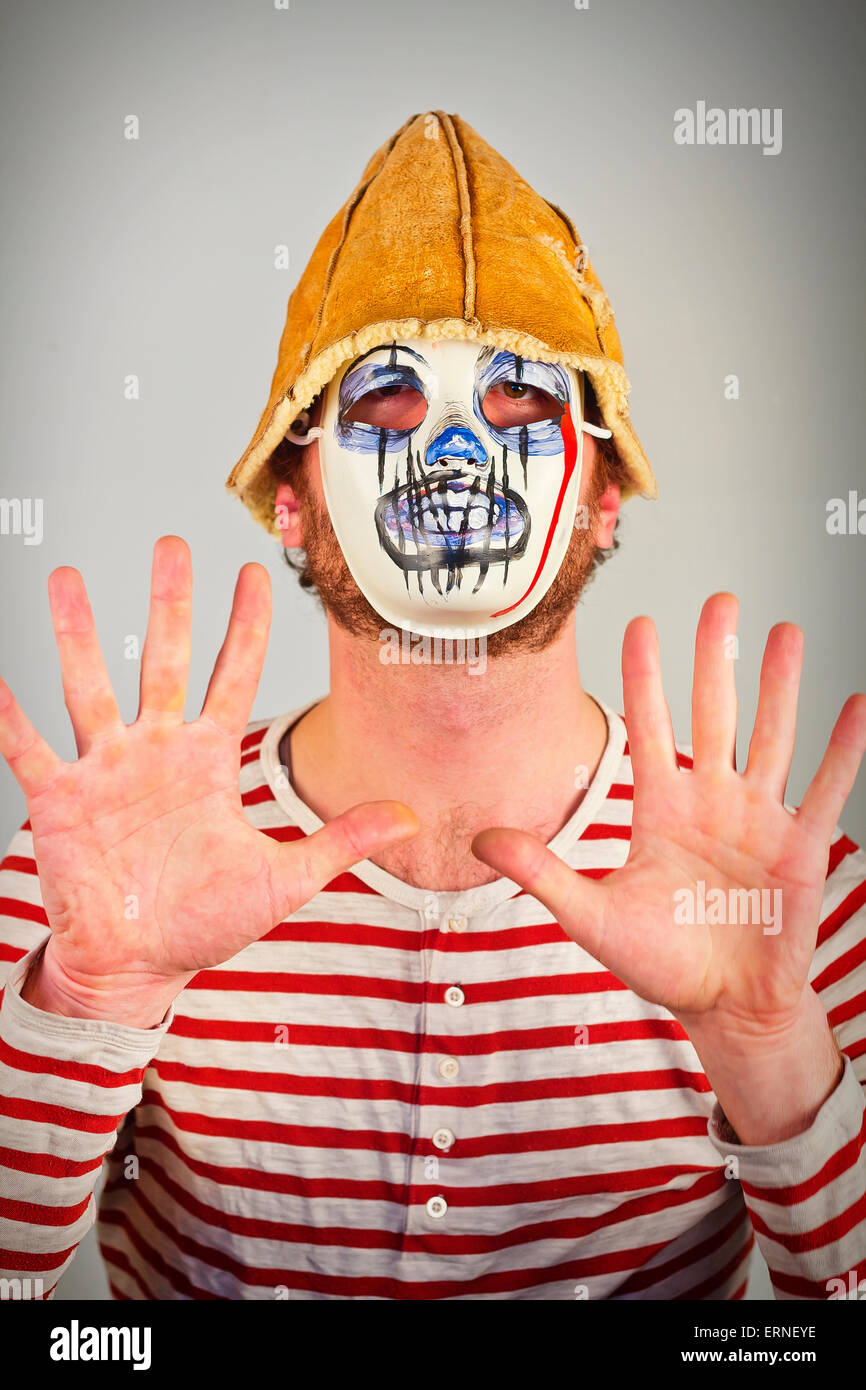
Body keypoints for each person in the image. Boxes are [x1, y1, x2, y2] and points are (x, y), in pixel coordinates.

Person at [0, 111, 863, 1302]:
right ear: (288, 498)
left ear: (603, 492)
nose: (454, 445)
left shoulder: (781, 893)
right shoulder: (101, 875)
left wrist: (771, 1058)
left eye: (521, 404)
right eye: (387, 405)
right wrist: (88, 1002)